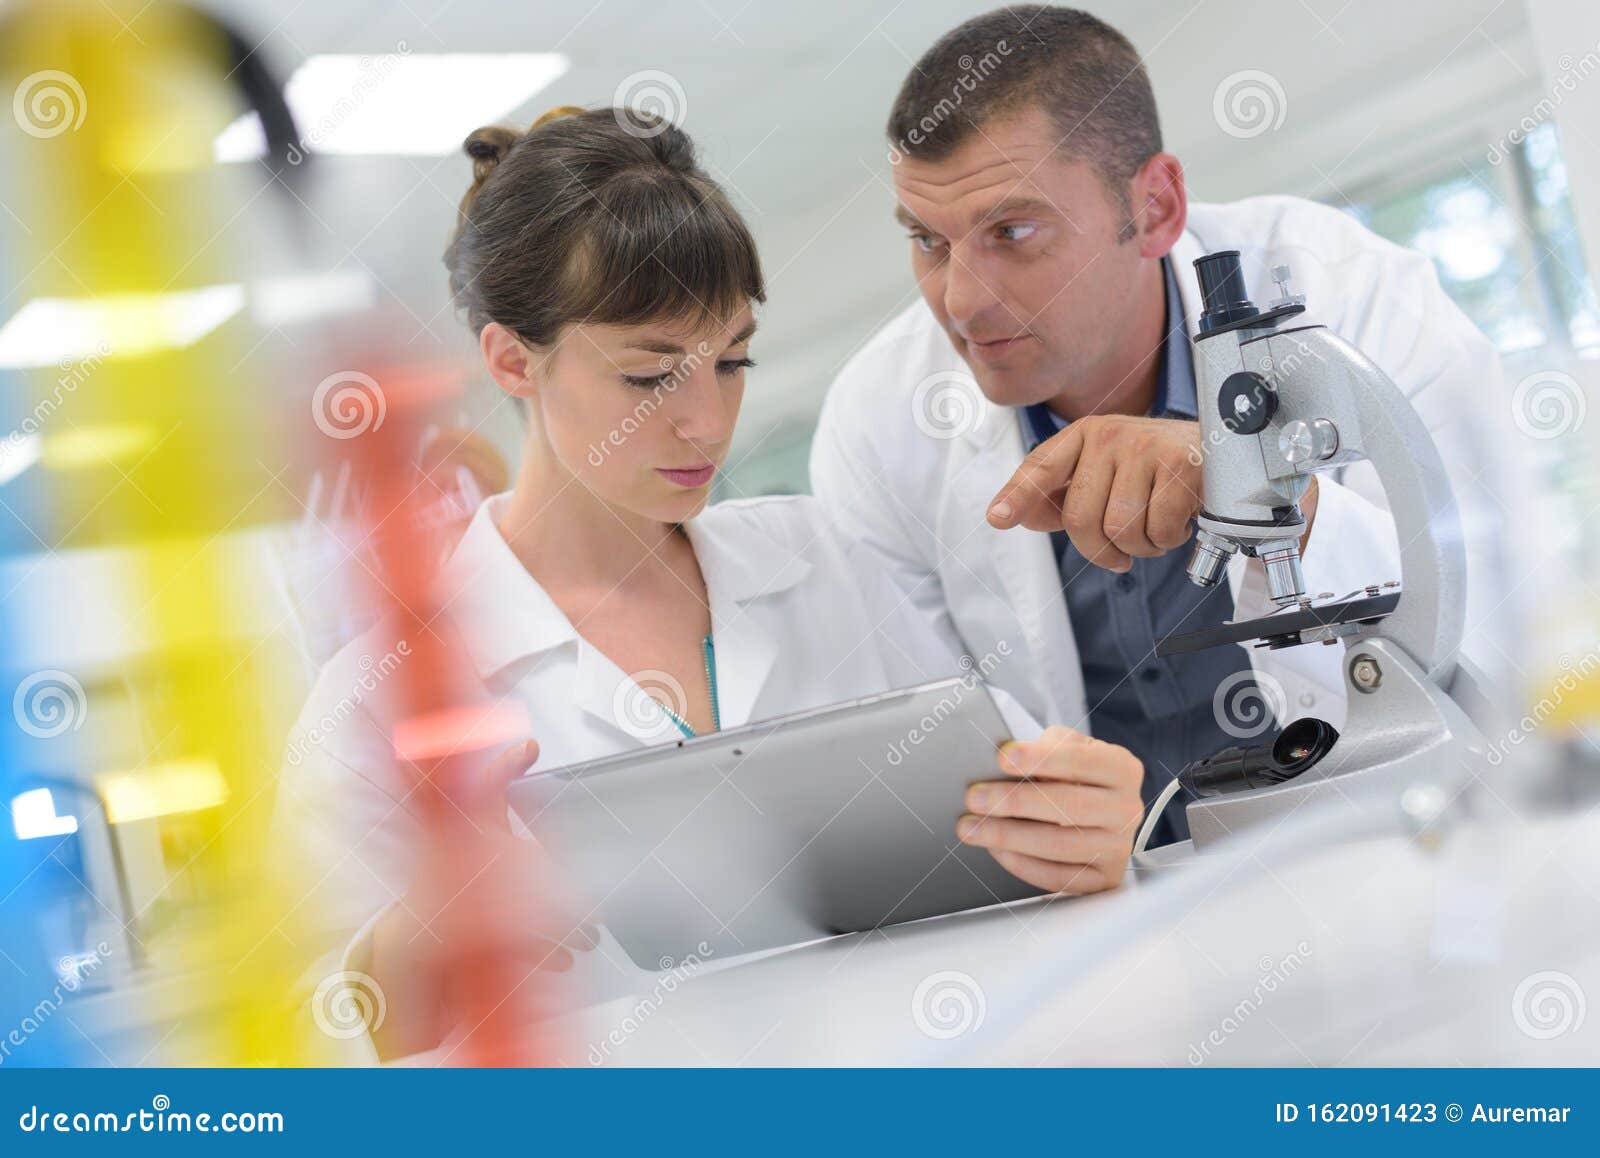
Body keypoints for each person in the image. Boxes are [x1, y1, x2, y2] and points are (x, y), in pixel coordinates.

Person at [272, 106, 1148, 1061]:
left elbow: (1012, 812)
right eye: (650, 377)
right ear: (513, 360)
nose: (706, 421)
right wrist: (420, 942)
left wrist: (1085, 829)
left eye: (731, 362)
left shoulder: (819, 558)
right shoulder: (377, 695)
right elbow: (300, 1047)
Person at [809, 6, 1511, 847]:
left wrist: (1265, 489)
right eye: (928, 241)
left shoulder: (1359, 297)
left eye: (1013, 232)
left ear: (1154, 207)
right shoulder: (877, 421)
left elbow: (1503, 625)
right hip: (1106, 898)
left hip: (1396, 841)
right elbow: (924, 758)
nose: (960, 302)